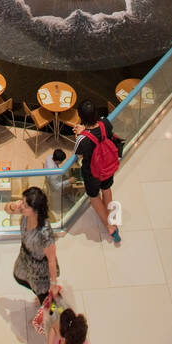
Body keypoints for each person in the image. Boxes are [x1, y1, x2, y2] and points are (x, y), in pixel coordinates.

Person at [75, 98, 122, 244]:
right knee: (106, 189)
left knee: (94, 196)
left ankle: (110, 226)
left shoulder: (83, 139)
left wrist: (80, 133)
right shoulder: (105, 123)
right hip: (108, 164)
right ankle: (110, 216)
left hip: (93, 172)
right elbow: (104, 133)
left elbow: (77, 153)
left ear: (81, 117)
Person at [5, 187, 60, 304]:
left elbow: (51, 260)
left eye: (25, 205)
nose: (22, 206)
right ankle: (42, 300)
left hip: (39, 270)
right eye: (22, 202)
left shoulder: (45, 233)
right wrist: (13, 205)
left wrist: (54, 283)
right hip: (25, 259)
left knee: (48, 302)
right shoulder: (26, 213)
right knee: (20, 278)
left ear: (35, 210)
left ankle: (53, 316)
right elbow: (7, 210)